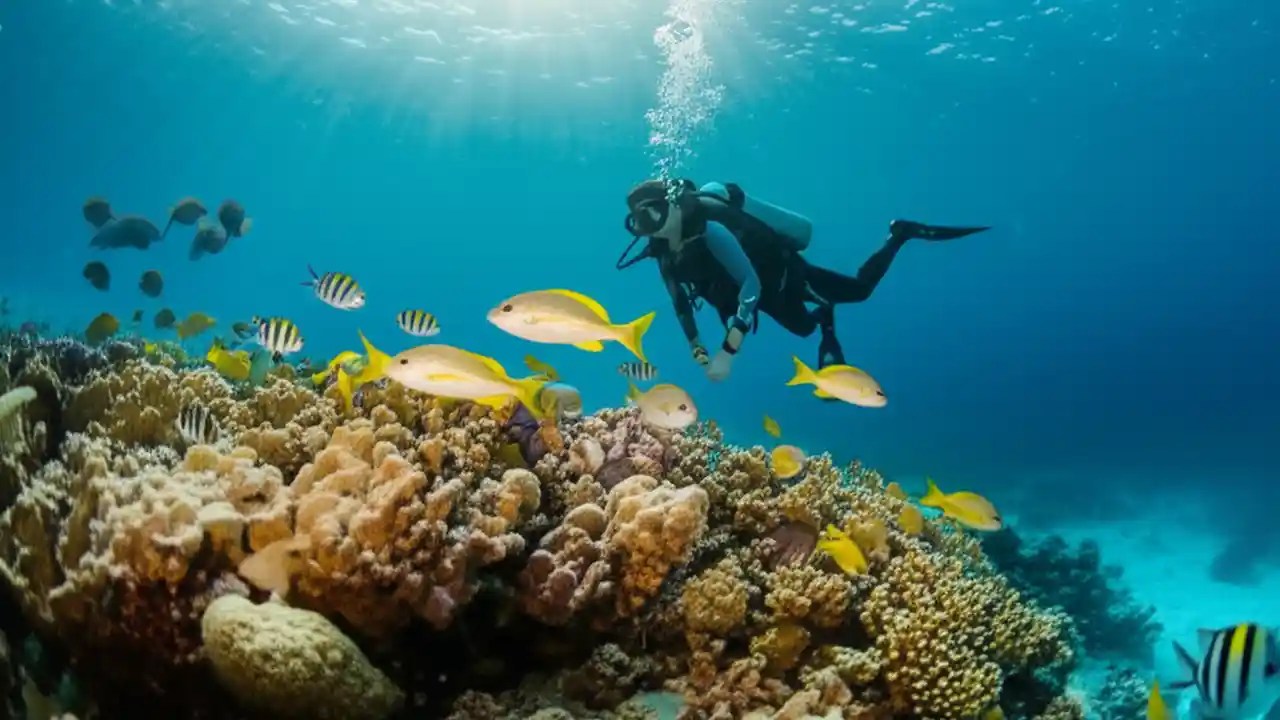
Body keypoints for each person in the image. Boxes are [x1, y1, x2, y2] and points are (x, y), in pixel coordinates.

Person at [617, 178, 988, 382]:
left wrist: (728, 352)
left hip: (781, 276)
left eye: (652, 214)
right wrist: (696, 346)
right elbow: (679, 301)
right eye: (638, 221)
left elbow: (750, 283)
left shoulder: (711, 224)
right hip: (749, 298)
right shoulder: (662, 251)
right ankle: (824, 320)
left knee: (859, 291)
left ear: (670, 204)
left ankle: (900, 234)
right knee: (804, 330)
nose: (649, 227)